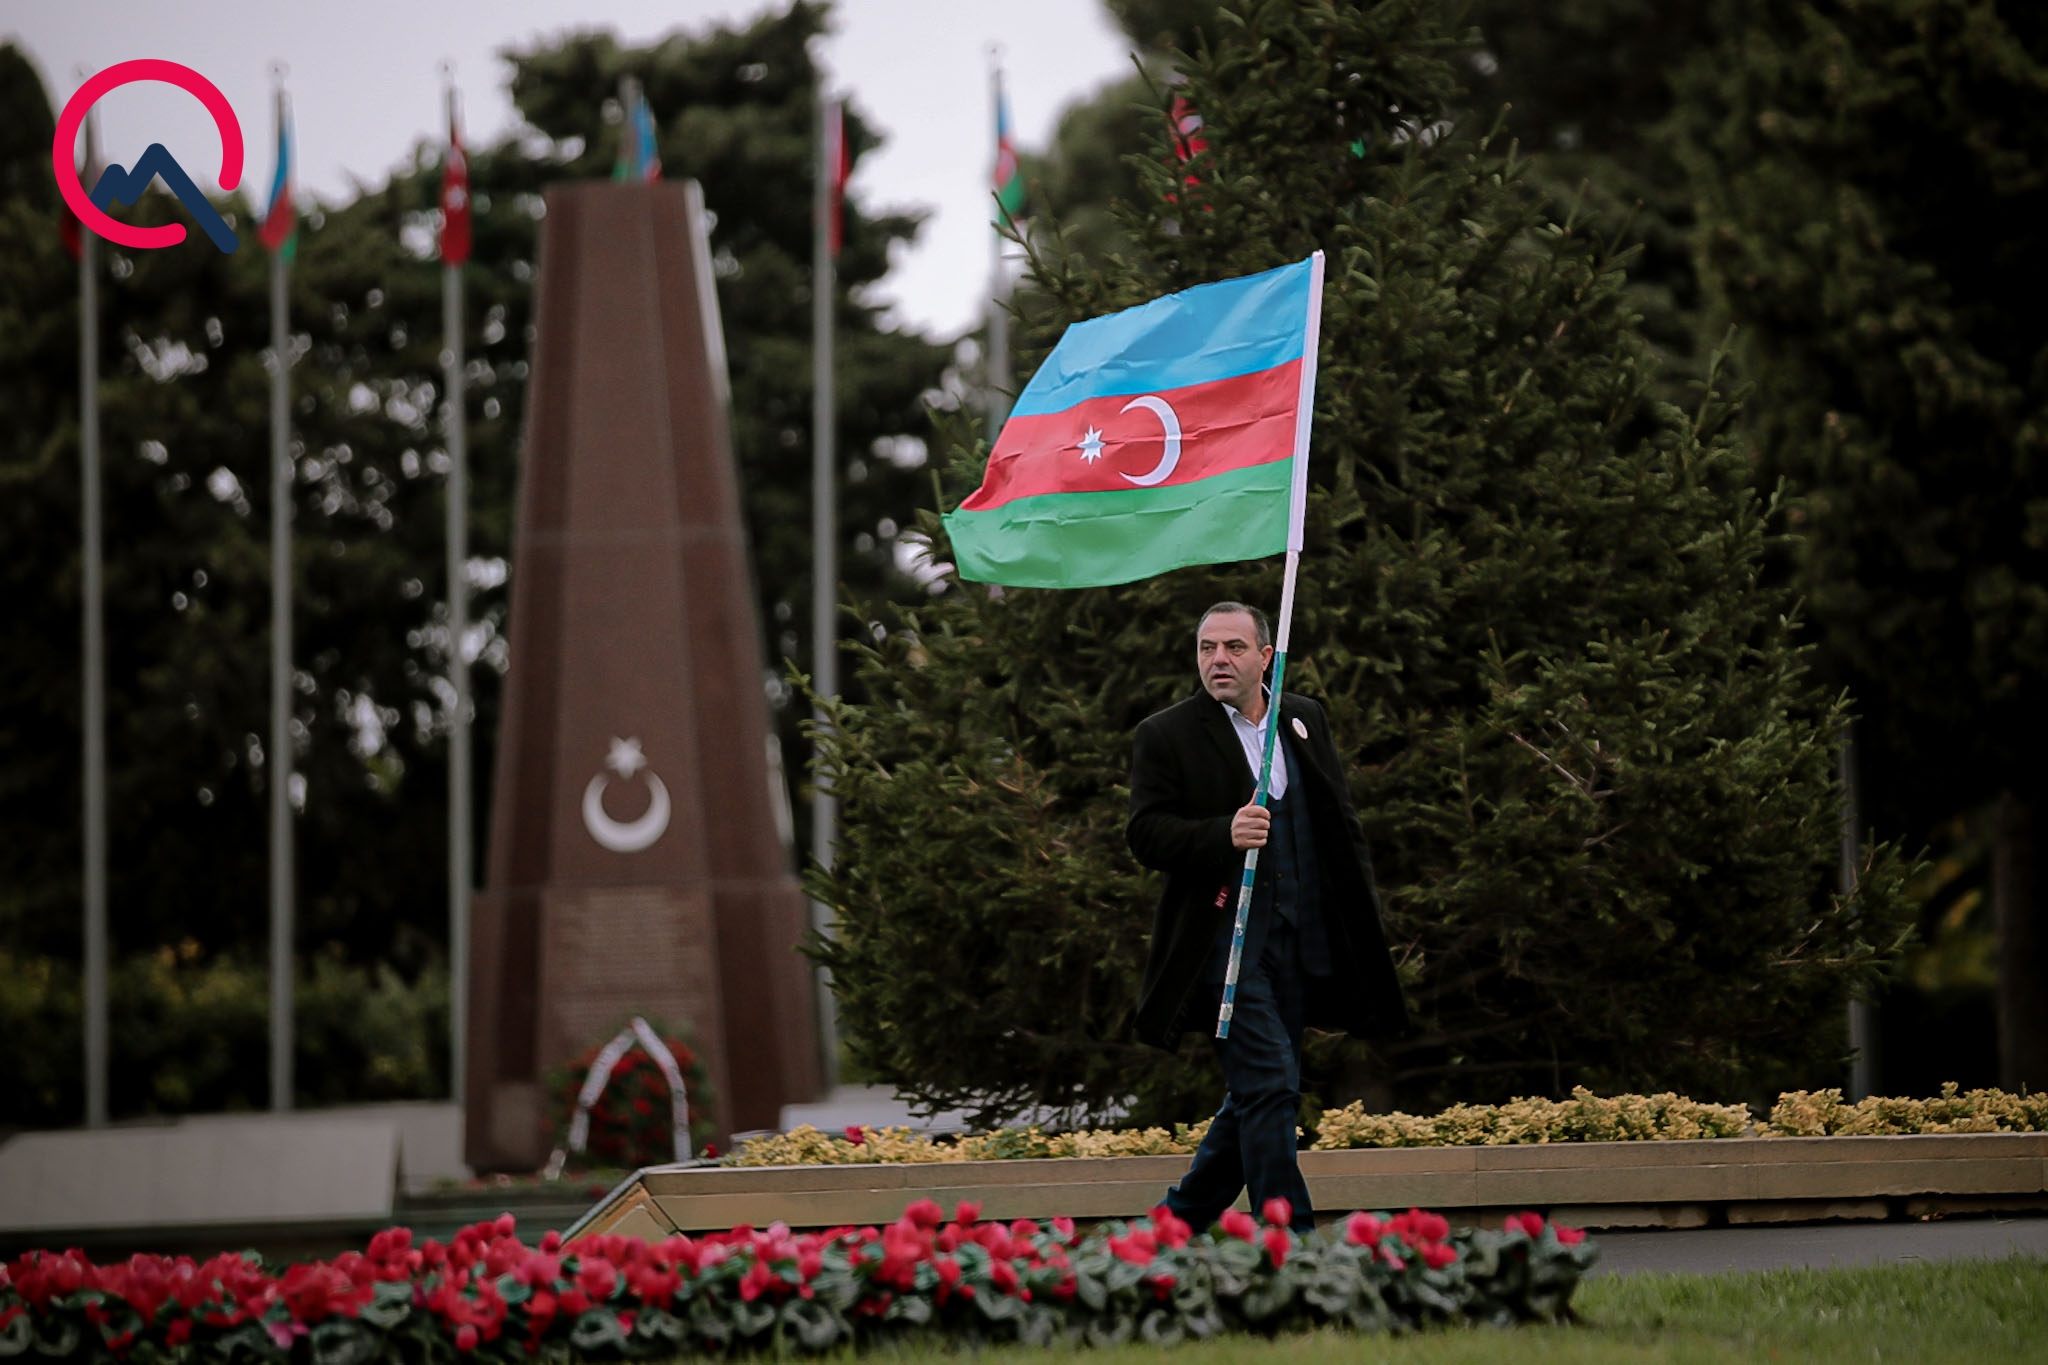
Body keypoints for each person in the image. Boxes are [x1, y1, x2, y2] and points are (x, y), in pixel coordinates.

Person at [1126, 601, 1408, 1234]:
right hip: (1224, 950)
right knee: (1274, 1087)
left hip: (1300, 942)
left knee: (1259, 1095)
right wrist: (1220, 833)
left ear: (1265, 657)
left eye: (1232, 647)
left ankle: (1166, 1230)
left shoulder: (1303, 719)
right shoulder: (1166, 734)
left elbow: (1340, 828)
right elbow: (1145, 835)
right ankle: (1292, 1247)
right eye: (1206, 648)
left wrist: (1358, 922)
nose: (1217, 660)